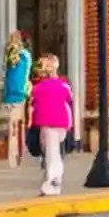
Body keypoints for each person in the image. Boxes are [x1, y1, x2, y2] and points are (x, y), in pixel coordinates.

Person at [30, 54, 73, 196]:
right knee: (56, 152)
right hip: (62, 123)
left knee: (50, 153)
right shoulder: (64, 86)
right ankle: (54, 181)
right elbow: (69, 101)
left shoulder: (37, 88)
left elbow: (33, 104)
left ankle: (51, 182)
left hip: (46, 123)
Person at [3, 31, 33, 167]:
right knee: (17, 126)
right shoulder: (21, 56)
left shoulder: (18, 56)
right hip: (17, 94)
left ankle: (15, 156)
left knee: (14, 127)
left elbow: (14, 76)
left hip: (14, 94)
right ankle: (16, 155)